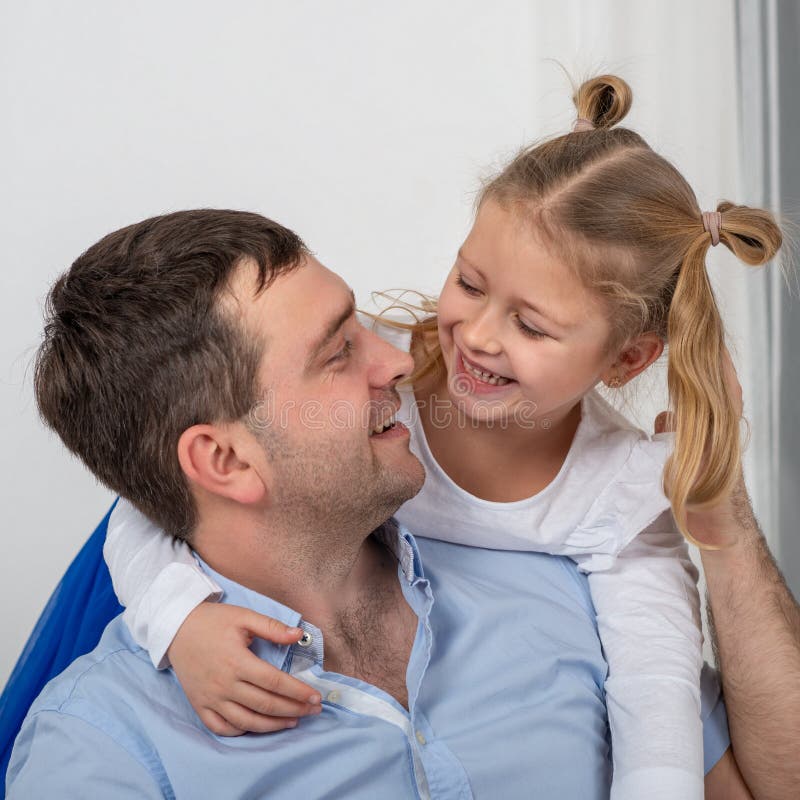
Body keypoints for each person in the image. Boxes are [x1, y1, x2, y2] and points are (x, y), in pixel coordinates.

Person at [96, 75, 791, 799]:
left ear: (627, 359)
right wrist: (181, 620)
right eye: (470, 282)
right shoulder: (379, 374)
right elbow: (155, 496)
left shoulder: (618, 494)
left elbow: (657, 697)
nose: (477, 336)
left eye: (531, 326)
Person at [7, 208, 739, 799]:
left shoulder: (567, 583)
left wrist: (723, 512)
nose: (400, 361)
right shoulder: (103, 751)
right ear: (225, 461)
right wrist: (175, 617)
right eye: (338, 353)